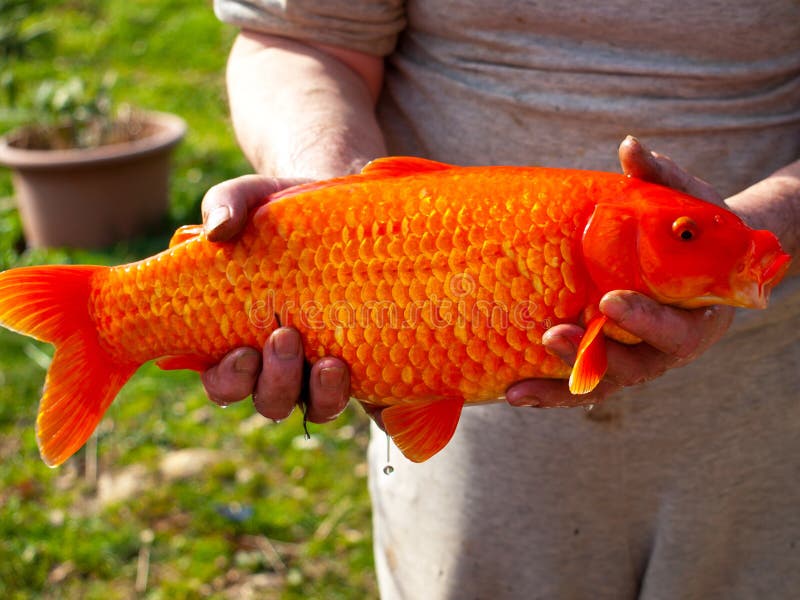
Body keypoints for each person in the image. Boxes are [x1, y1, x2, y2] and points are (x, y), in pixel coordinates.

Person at [204, 1, 800, 598]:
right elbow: (299, 40)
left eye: (684, 237)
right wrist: (332, 203)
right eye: (686, 237)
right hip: (459, 406)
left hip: (774, 398)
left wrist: (769, 217)